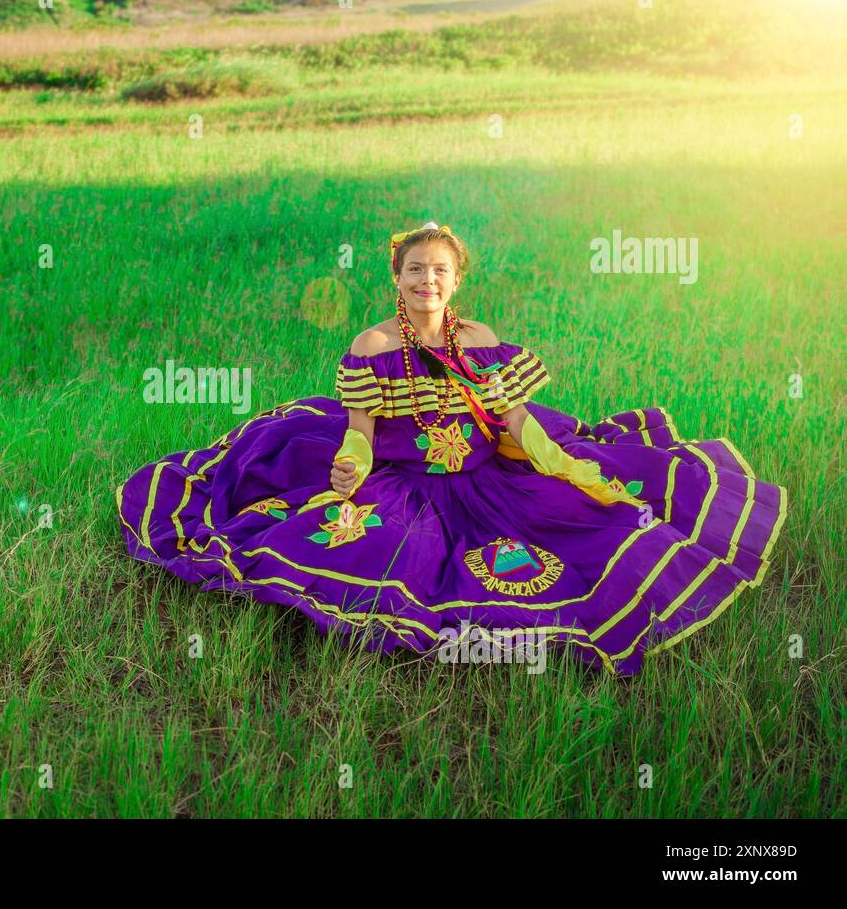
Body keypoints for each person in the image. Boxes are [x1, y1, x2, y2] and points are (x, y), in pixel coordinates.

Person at [115, 222, 787, 676]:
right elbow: (361, 428)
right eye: (414, 269)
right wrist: (350, 466)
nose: (426, 281)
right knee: (375, 548)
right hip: (404, 479)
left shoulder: (482, 337)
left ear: (456, 279)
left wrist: (555, 458)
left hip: (489, 472)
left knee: (595, 515)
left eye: (439, 270)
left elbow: (513, 416)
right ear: (397, 276)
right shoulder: (373, 347)